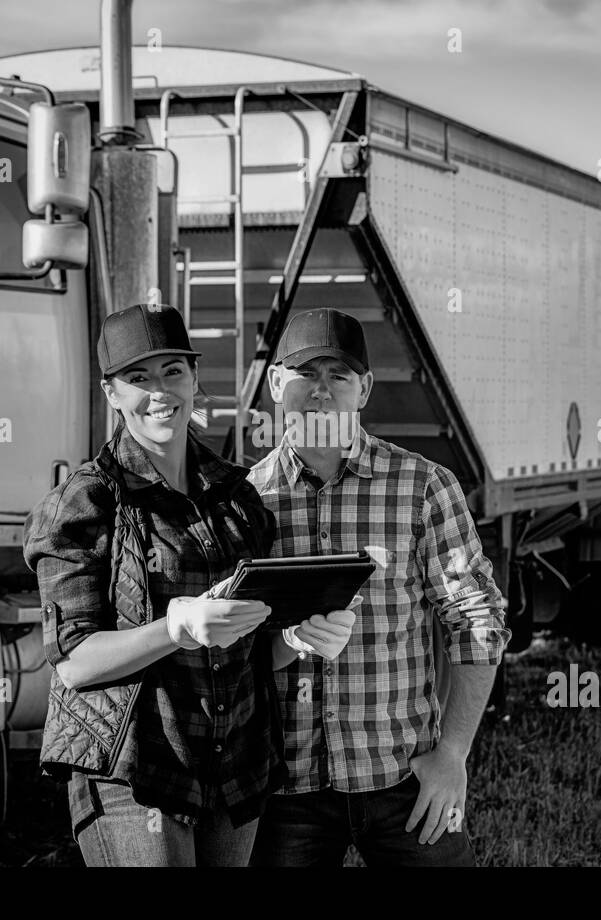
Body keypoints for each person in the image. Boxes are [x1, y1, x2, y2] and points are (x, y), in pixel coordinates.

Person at [22, 303, 357, 867]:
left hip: (234, 770)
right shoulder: (84, 503)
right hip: (137, 771)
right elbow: (76, 662)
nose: (160, 391)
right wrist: (175, 628)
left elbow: (253, 650)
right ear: (111, 393)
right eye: (138, 377)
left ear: (196, 379)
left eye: (173, 371)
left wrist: (297, 638)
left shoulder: (236, 495)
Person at [247, 307, 510, 867]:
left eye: (337, 376)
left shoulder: (424, 487)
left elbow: (477, 620)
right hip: (285, 788)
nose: (320, 392)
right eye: (304, 373)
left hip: (404, 780)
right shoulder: (246, 502)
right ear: (275, 384)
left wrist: (453, 754)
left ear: (363, 389)